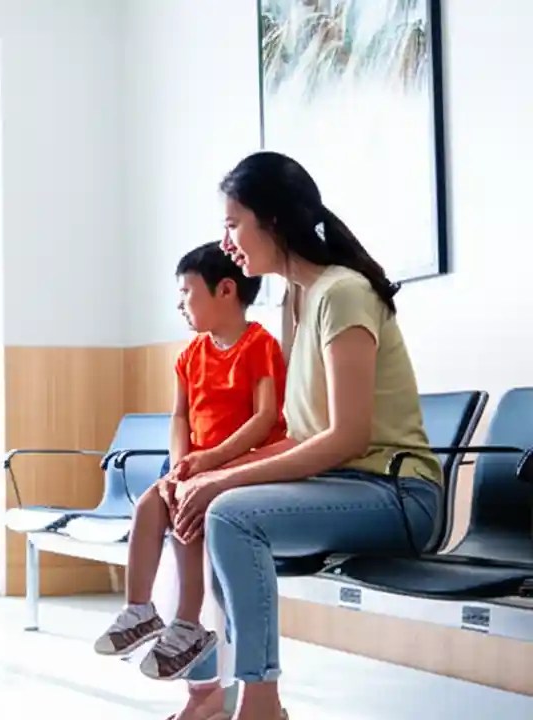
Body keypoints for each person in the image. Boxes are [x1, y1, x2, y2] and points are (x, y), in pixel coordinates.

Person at [163, 151, 442, 720]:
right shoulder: (299, 300)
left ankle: (261, 704)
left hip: (399, 496)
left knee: (229, 512)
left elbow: (346, 436)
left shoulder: (344, 293)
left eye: (232, 224)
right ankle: (215, 695)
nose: (227, 243)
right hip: (344, 487)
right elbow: (302, 435)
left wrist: (225, 481)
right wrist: (210, 475)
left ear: (273, 220)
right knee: (204, 505)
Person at [94, 241, 288, 683]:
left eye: (186, 292)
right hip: (197, 465)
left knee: (190, 509)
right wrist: (181, 464)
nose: (180, 304)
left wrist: (210, 461)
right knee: (150, 503)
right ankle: (140, 610)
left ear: (225, 290)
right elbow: (179, 416)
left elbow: (265, 419)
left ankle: (187, 622)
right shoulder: (189, 355)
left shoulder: (259, 345)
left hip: (243, 466)